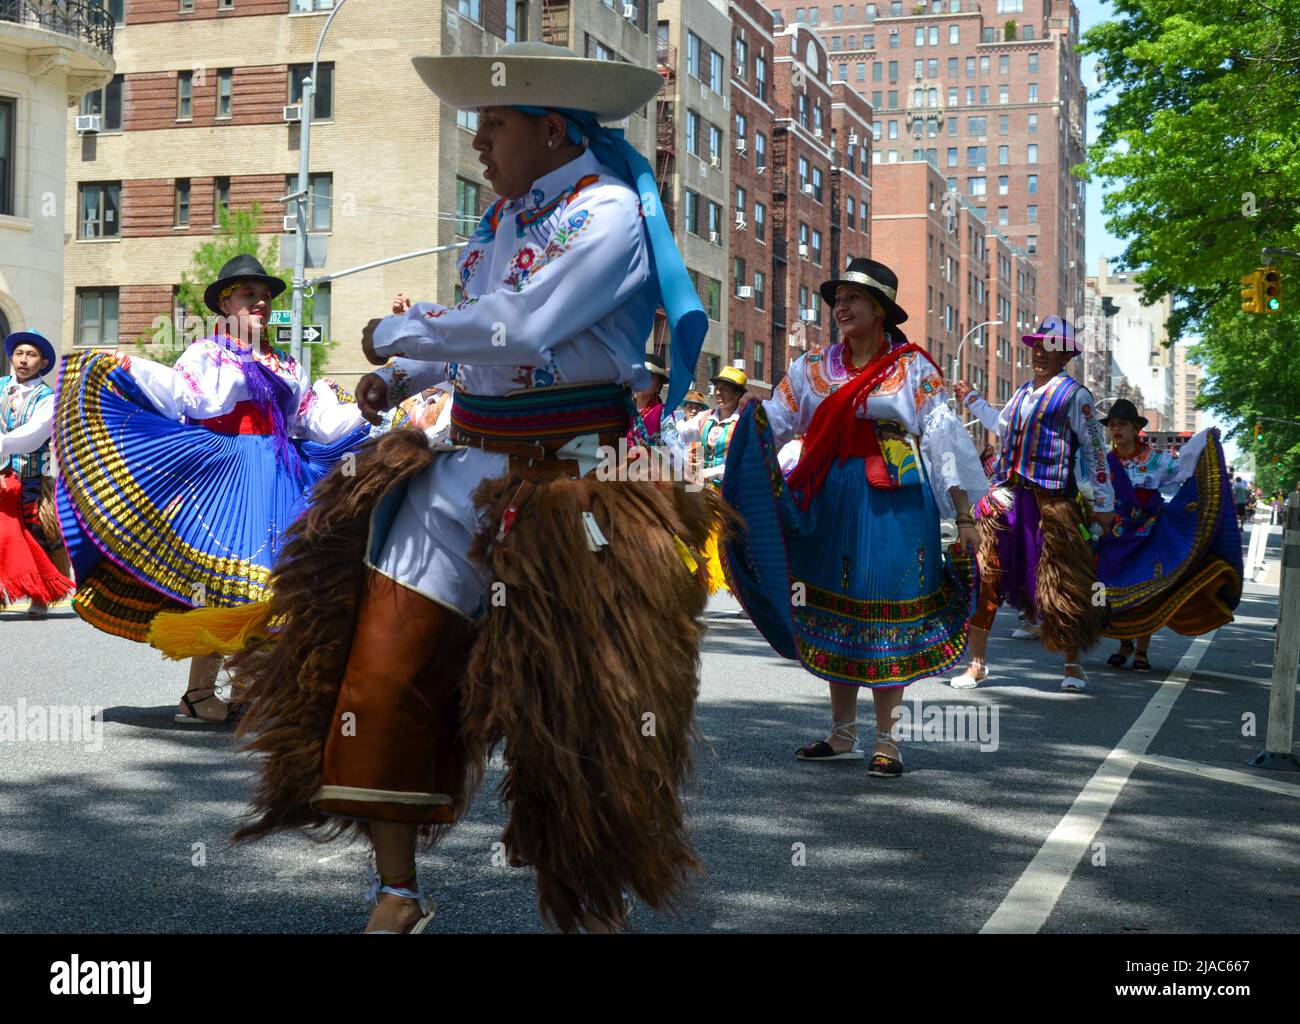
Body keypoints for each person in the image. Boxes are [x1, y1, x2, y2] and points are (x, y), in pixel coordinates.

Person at [183, 42, 714, 934]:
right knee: (384, 667)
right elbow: (469, 338)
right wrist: (403, 372)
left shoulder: (609, 212)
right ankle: (397, 893)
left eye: (493, 125)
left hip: (579, 481)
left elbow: (523, 324)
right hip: (464, 463)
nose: (478, 143)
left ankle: (594, 902)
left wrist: (395, 332)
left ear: (552, 129)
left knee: (587, 703)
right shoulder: (499, 220)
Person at [55, 254, 368, 724]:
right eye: (249, 294)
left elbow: (311, 419)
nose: (261, 301)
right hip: (226, 473)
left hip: (280, 476)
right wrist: (124, 368)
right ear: (226, 304)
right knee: (226, 583)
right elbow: (188, 397)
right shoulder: (208, 352)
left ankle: (246, 691)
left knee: (272, 585)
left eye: (265, 295)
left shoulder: (284, 361)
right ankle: (199, 695)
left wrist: (369, 408)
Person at [721, 257, 986, 776]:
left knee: (887, 610)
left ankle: (888, 741)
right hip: (828, 498)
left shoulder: (912, 368)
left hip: (894, 502)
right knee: (836, 613)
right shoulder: (813, 368)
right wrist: (743, 468)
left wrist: (963, 513)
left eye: (853, 299)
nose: (840, 307)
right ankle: (842, 734)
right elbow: (775, 421)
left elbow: (941, 439)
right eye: (836, 299)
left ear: (881, 311)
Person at [950, 315, 1114, 692]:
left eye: (1050, 347)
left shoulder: (1077, 396)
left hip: (1052, 504)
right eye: (1038, 345)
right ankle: (977, 664)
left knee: (1062, 584)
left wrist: (1103, 504)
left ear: (1064, 355)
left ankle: (1072, 665)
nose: (1041, 353)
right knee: (985, 575)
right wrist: (971, 399)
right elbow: (1003, 426)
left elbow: (1095, 451)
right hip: (1007, 496)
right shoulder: (1023, 393)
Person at [1097, 400, 1242, 669]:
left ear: (1136, 428)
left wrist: (1204, 442)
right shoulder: (1104, 464)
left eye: (1122, 424)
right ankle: (1123, 643)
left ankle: (1141, 650)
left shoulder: (1157, 459)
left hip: (1150, 533)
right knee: (1112, 588)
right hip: (1116, 535)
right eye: (1112, 425)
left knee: (1147, 589)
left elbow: (1184, 470)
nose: (1116, 429)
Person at [0, 331, 74, 615]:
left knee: (37, 533)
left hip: (33, 476)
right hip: (2, 474)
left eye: (30, 355)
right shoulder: (1, 386)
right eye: (19, 353)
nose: (23, 359)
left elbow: (31, 437)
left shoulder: (48, 398)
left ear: (42, 363)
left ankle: (41, 594)